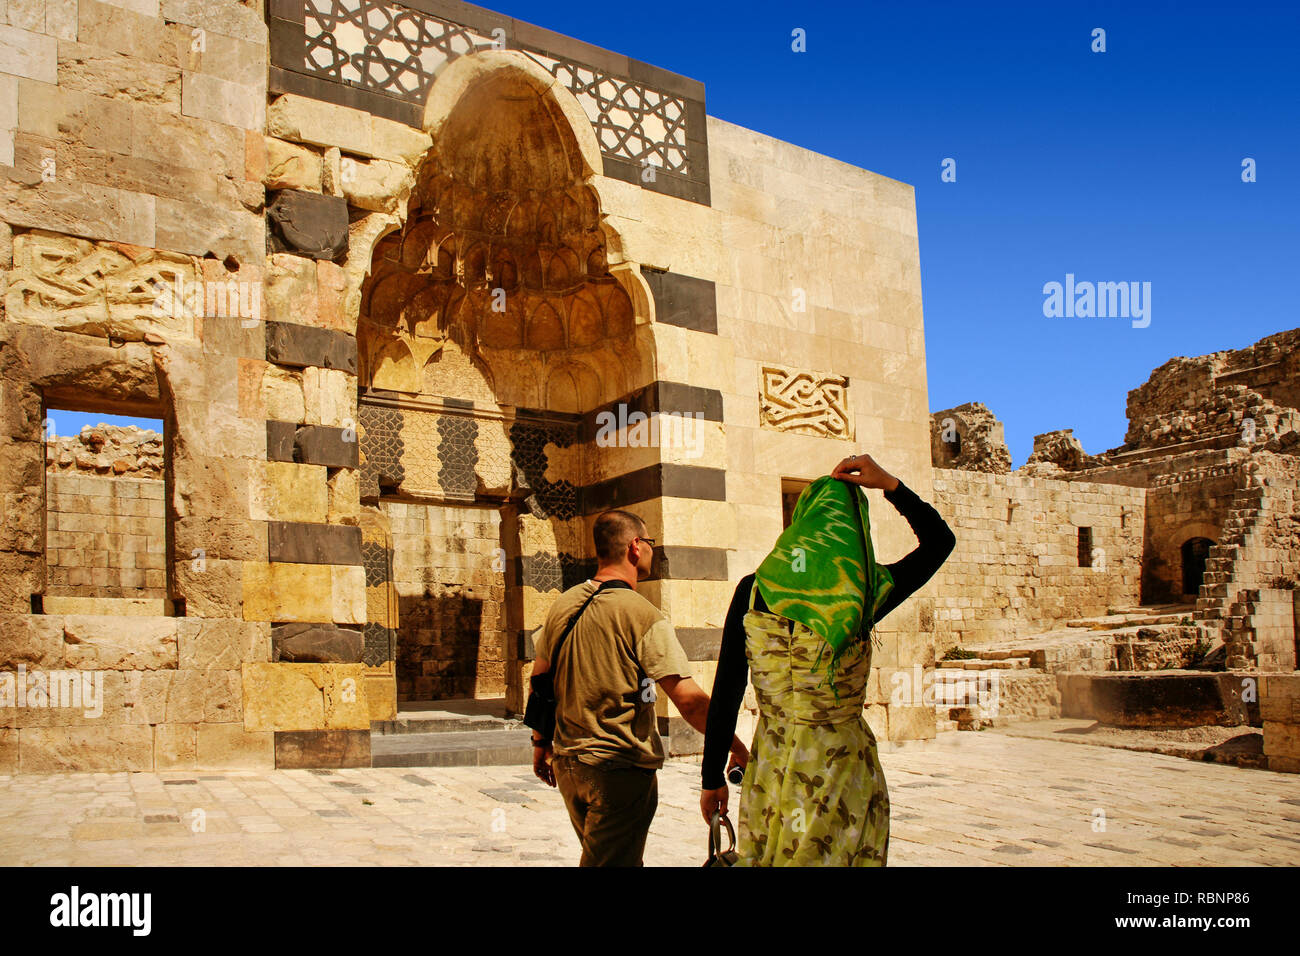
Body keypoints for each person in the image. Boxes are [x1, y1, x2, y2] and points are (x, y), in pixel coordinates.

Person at [699, 452, 955, 866]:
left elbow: (727, 690)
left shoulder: (752, 591)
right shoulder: (864, 596)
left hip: (773, 766)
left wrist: (712, 779)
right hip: (841, 769)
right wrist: (890, 485)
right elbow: (940, 542)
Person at [531, 508, 749, 866]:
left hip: (570, 766)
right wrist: (735, 746)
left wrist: (540, 744)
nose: (651, 549)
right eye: (649, 542)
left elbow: (539, 680)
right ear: (635, 547)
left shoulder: (562, 606)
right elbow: (690, 701)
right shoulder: (642, 613)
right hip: (618, 769)